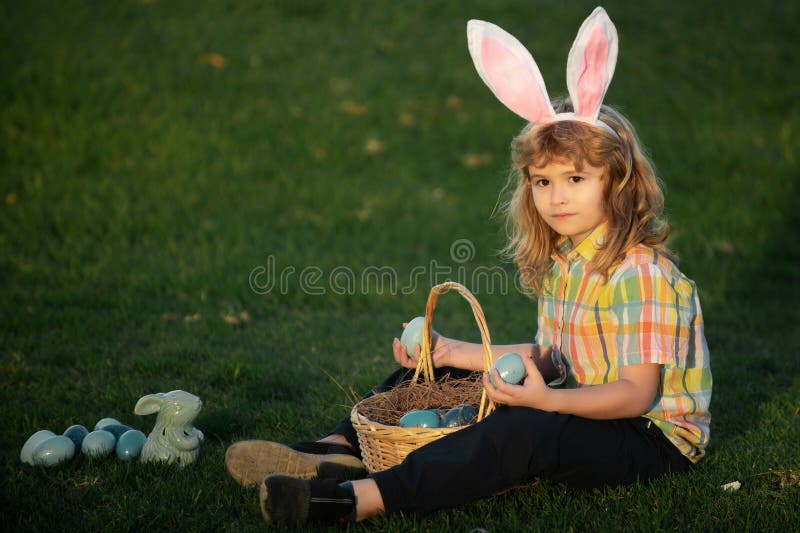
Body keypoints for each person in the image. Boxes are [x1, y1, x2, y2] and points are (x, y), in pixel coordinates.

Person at [225, 7, 712, 524]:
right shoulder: (569, 262)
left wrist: (545, 403)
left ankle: (353, 500)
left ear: (616, 181)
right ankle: (332, 448)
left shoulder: (640, 272)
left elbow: (636, 394)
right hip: (583, 406)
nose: (556, 198)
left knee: (525, 430)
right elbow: (555, 358)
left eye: (575, 179)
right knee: (437, 367)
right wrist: (455, 351)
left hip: (652, 442)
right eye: (543, 182)